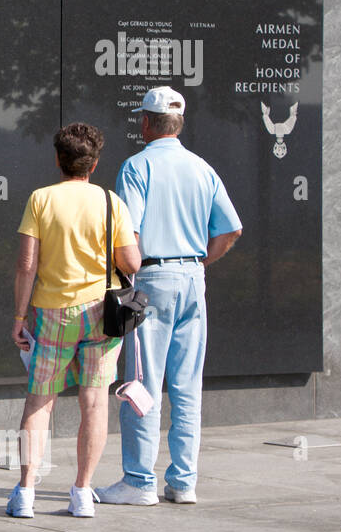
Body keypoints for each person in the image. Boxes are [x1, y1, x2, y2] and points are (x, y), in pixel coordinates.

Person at [97, 87, 242, 506]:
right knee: (187, 385)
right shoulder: (202, 168)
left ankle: (139, 482)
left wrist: (131, 274)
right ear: (178, 123)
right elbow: (231, 229)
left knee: (143, 382)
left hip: (152, 278)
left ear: (145, 122)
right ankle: (183, 482)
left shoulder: (136, 166)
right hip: (193, 277)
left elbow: (130, 235)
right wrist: (197, 264)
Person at [10, 123, 141, 518]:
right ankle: (82, 492)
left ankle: (26, 494)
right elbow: (131, 262)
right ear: (94, 163)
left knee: (40, 402)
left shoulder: (41, 200)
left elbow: (26, 265)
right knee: (94, 404)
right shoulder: (110, 201)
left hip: (51, 313)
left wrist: (19, 316)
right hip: (102, 315)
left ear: (58, 160)